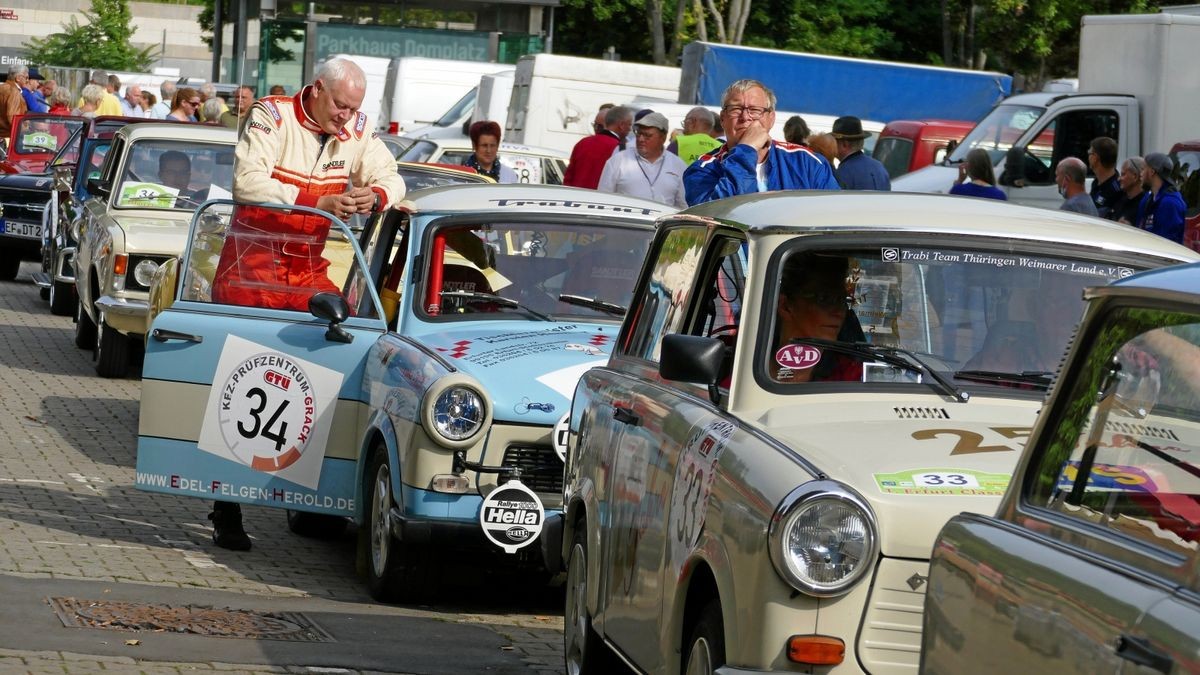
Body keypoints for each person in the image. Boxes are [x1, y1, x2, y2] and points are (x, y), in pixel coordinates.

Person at [208, 57, 406, 551]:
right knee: (240, 391)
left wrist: (374, 196)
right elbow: (247, 182)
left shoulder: (356, 127)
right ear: (316, 90)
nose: (347, 117)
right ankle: (225, 508)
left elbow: (393, 176)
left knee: (331, 367)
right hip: (250, 267)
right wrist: (316, 203)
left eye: (354, 108)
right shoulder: (270, 116)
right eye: (340, 105)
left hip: (306, 270)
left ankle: (313, 496)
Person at [684, 79, 839, 206]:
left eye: (755, 110)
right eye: (736, 109)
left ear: (770, 118)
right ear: (723, 118)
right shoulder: (703, 169)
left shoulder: (806, 162)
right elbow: (717, 216)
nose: (745, 117)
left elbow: (834, 215)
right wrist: (747, 149)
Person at [772, 252, 861, 383]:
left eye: (842, 300)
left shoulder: (852, 377)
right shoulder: (745, 366)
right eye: (824, 299)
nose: (839, 312)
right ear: (785, 306)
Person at [597, 111, 687, 207]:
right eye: (638, 133)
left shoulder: (678, 165)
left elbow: (683, 204)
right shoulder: (618, 161)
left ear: (663, 138)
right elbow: (602, 199)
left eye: (647, 135)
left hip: (663, 221)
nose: (641, 139)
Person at [563, 104, 633, 189]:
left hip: (576, 198)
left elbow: (568, 178)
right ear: (620, 125)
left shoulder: (582, 143)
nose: (630, 129)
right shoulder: (619, 148)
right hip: (600, 199)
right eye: (629, 125)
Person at [1134, 152, 1186, 243]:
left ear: (1152, 172)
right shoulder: (1147, 198)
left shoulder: (1170, 204)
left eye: (1143, 169)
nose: (1140, 174)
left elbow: (1165, 243)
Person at [832, 116, 890, 190]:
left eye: (834, 141)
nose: (832, 145)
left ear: (844, 145)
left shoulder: (843, 173)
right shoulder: (879, 167)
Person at [1086, 136, 1121, 218]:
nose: (1088, 157)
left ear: (1095, 158)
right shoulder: (1096, 183)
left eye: (1089, 153)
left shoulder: (1116, 189)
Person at [1109, 156, 1146, 225]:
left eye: (1123, 174)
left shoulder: (1145, 205)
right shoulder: (1119, 199)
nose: (1119, 179)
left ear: (1135, 176)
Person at [0, 64, 29, 139]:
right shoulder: (14, 92)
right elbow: (13, 117)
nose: (27, 80)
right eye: (26, 77)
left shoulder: (2, 87)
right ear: (18, 78)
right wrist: (26, 131)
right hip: (9, 137)